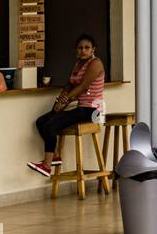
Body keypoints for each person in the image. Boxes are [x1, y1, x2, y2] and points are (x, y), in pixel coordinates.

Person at [29, 34, 105, 176]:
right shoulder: (77, 64)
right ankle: (55, 156)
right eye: (80, 48)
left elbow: (83, 86)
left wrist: (65, 101)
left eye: (87, 48)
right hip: (78, 107)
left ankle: (46, 165)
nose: (83, 50)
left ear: (93, 49)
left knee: (51, 125)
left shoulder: (96, 63)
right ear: (76, 50)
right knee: (41, 122)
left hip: (92, 110)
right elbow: (69, 85)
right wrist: (59, 102)